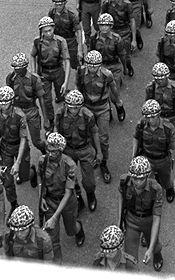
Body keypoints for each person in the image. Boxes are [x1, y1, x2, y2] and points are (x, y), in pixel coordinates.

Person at [76, 49, 125, 182]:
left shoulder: (106, 74)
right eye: (89, 64)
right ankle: (96, 155)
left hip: (103, 108)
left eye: (95, 65)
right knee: (91, 135)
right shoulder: (80, 72)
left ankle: (104, 162)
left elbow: (113, 88)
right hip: (87, 107)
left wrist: (118, 101)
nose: (92, 67)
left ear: (100, 64)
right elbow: (78, 88)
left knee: (103, 138)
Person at [37, 132, 85, 262]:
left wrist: (54, 217)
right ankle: (57, 263)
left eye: (54, 151)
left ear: (60, 150)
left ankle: (78, 228)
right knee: (52, 238)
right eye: (48, 150)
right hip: (50, 201)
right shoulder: (43, 160)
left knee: (71, 230)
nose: (50, 153)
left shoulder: (70, 165)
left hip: (67, 202)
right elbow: (40, 178)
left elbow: (68, 192)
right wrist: (41, 197)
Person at [54, 89, 99, 212]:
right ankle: (78, 196)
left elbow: (94, 132)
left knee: (89, 180)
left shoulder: (87, 115)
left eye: (76, 107)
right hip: (68, 149)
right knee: (70, 178)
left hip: (84, 149)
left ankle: (90, 195)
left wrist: (98, 152)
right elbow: (56, 131)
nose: (74, 110)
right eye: (71, 107)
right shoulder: (60, 114)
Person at [118, 156, 163, 271]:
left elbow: (157, 218)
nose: (137, 182)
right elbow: (121, 201)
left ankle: (157, 254)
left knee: (155, 246)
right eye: (135, 178)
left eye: (141, 179)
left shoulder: (156, 189)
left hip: (148, 221)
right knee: (130, 263)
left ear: (147, 176)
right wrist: (119, 224)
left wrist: (150, 249)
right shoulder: (125, 182)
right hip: (131, 221)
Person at [133, 100, 175, 202]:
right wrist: (134, 156)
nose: (150, 120)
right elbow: (136, 137)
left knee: (166, 179)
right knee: (145, 181)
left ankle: (169, 189)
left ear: (158, 115)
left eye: (153, 117)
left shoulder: (168, 128)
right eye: (147, 117)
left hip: (163, 160)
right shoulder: (142, 123)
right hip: (147, 158)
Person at [0, 86, 29, 211]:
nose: (3, 105)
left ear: (11, 101)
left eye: (6, 102)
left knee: (24, 174)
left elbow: (23, 138)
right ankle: (14, 204)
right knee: (7, 180)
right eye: (1, 102)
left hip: (19, 147)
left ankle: (31, 172)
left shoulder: (19, 115)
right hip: (5, 147)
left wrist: (17, 163)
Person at [145, 62, 175, 161]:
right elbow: (147, 106)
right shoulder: (150, 88)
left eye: (162, 78)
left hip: (174, 117)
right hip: (159, 118)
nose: (159, 81)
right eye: (157, 78)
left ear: (167, 77)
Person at [6, 51, 50, 154]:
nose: (16, 70)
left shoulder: (34, 79)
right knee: (18, 140)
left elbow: (41, 99)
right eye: (15, 68)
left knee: (36, 141)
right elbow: (7, 98)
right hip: (17, 111)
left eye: (18, 68)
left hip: (31, 112)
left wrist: (46, 119)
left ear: (25, 67)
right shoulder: (11, 78)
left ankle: (45, 150)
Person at [30, 17, 70, 129]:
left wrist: (66, 82)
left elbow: (67, 61)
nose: (48, 33)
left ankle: (63, 120)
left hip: (58, 71)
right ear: (41, 32)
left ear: (54, 29)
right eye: (45, 31)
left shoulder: (60, 41)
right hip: (44, 74)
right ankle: (51, 121)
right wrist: (34, 73)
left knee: (62, 96)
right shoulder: (37, 42)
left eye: (50, 30)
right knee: (46, 99)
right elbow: (32, 55)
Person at [49, 0, 84, 71]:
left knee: (76, 63)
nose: (58, 6)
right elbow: (49, 27)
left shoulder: (71, 15)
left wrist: (80, 48)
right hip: (57, 40)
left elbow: (78, 30)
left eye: (60, 4)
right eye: (56, 4)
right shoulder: (52, 13)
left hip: (70, 41)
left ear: (65, 3)